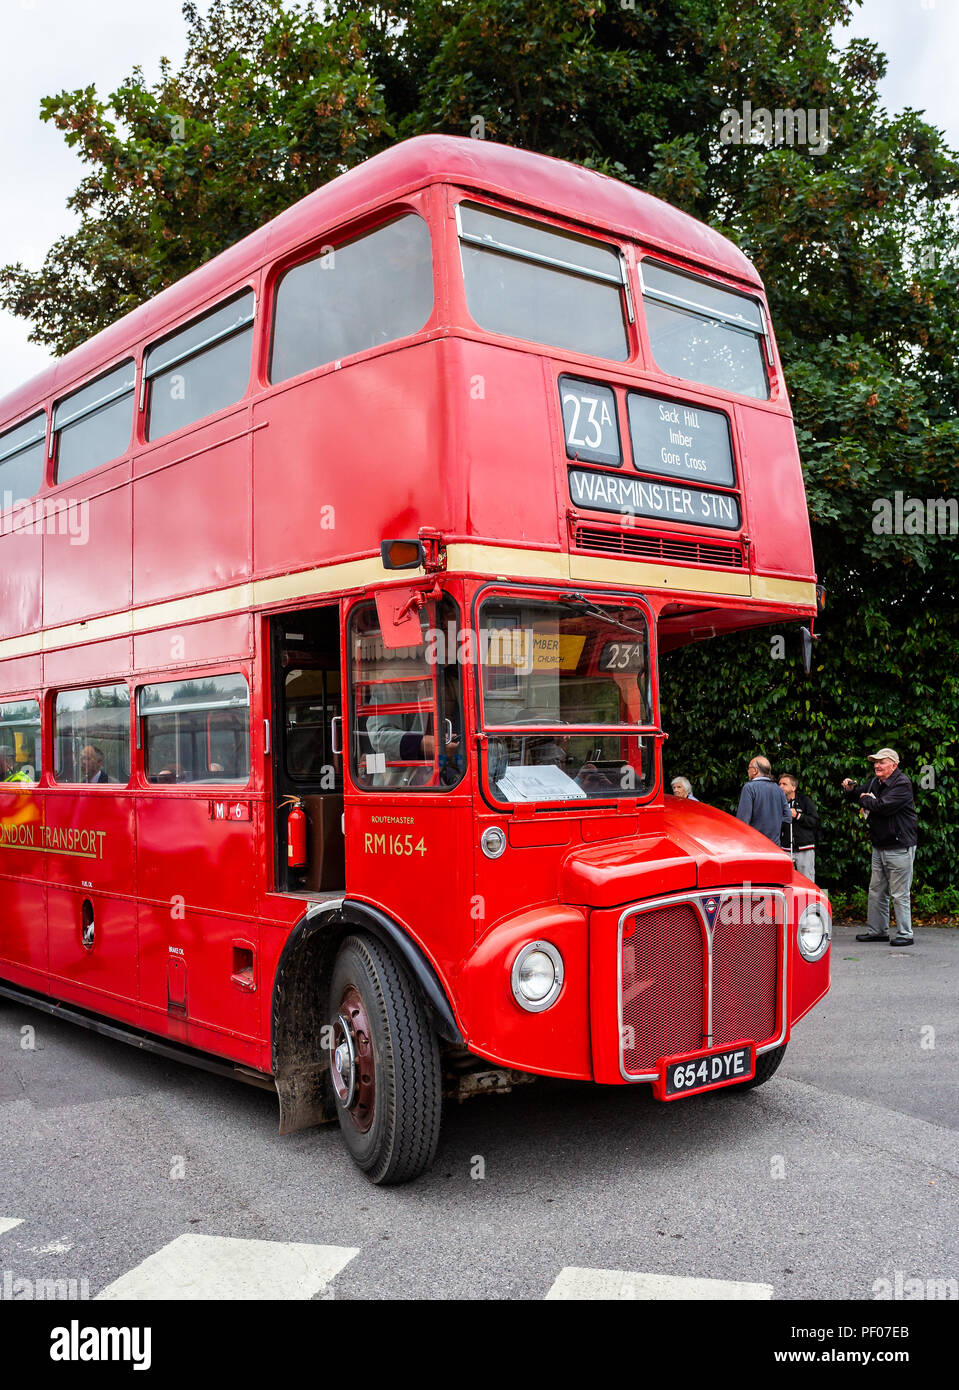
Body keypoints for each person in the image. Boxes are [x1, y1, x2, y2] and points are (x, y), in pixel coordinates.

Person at [842, 747, 918, 946]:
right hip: (880, 845)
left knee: (900, 893)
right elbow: (858, 794)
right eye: (875, 762)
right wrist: (850, 790)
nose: (877, 765)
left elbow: (883, 807)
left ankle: (905, 934)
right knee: (876, 890)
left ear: (894, 764)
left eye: (882, 762)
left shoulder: (902, 784)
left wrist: (865, 799)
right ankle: (878, 931)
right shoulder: (876, 782)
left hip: (899, 846)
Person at [735, 755, 791, 845]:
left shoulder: (749, 787)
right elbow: (788, 817)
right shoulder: (779, 789)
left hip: (755, 845)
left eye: (749, 768)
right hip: (775, 846)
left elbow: (743, 821)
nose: (747, 770)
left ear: (755, 770)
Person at [778, 772, 819, 882]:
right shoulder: (777, 803)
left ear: (794, 787)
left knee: (807, 881)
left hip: (804, 849)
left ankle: (808, 900)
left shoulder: (805, 801)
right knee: (785, 882)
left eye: (784, 784)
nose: (781, 786)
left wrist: (798, 816)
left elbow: (814, 822)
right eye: (779, 784)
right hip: (785, 849)